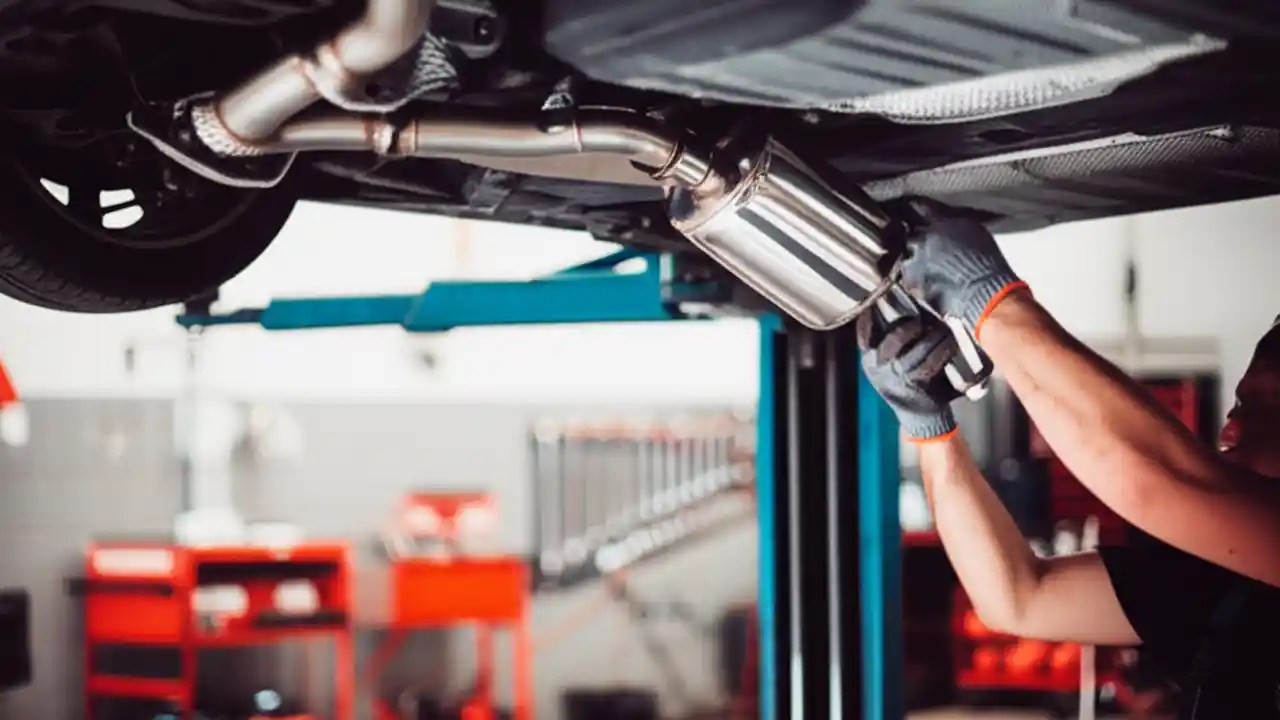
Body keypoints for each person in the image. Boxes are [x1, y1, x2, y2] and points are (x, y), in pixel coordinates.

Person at [857, 209, 1280, 718]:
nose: (1231, 429)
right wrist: (930, 428)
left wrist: (989, 299)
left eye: (1267, 411)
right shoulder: (1220, 585)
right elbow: (1017, 597)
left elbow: (1156, 478)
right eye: (1238, 406)